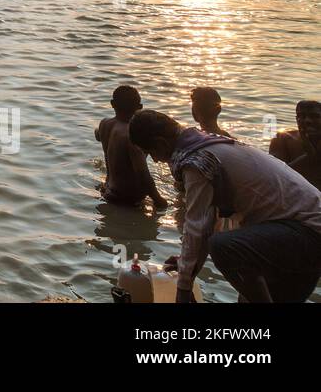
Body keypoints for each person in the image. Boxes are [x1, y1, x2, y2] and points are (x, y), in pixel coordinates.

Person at [129, 109, 321, 302]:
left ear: (161, 143)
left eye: (151, 153)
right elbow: (210, 221)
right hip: (301, 235)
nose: (154, 160)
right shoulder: (211, 144)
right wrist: (187, 265)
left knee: (223, 246)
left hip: (307, 234)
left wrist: (184, 289)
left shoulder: (198, 161)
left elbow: (197, 228)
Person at [95, 85, 167, 209]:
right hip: (128, 201)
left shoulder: (105, 124)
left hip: (108, 190)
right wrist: (159, 200)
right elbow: (143, 176)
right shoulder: (133, 137)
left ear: (112, 104)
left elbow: (97, 135)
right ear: (140, 108)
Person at [273, 101, 321, 190]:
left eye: (315, 116)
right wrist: (309, 155)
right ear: (296, 119)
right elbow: (276, 176)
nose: (307, 120)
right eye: (301, 116)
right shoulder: (282, 138)